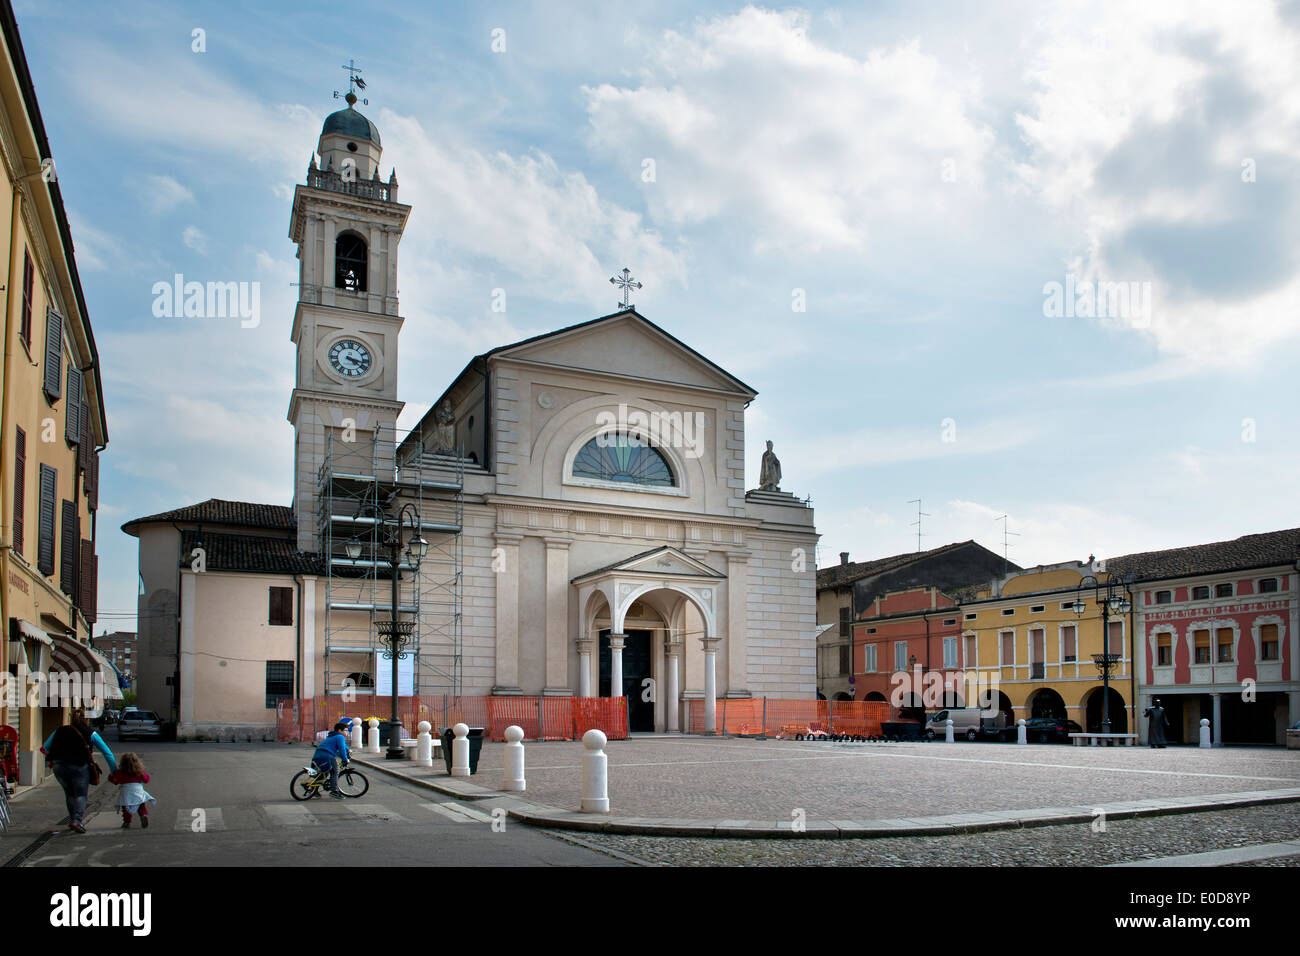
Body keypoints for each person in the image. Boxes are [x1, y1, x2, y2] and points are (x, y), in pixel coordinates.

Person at [40, 707, 117, 833]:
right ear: (86, 719)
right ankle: (76, 820)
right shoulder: (90, 732)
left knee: (69, 793)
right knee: (80, 794)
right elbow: (107, 753)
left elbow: (44, 748)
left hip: (59, 767)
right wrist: (114, 771)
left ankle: (73, 819)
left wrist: (52, 759)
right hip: (80, 767)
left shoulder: (59, 730)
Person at [108, 752, 156, 829]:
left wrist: (112, 775)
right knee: (141, 805)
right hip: (137, 790)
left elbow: (115, 781)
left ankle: (127, 822)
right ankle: (143, 815)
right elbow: (146, 780)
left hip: (126, 791)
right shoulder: (138, 772)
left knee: (126, 807)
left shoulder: (119, 772)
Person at [310, 721, 352, 798]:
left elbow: (343, 746)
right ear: (340, 731)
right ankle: (334, 791)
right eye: (346, 730)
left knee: (323, 773)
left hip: (318, 755)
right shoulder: (340, 737)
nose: (347, 732)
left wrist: (348, 749)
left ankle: (314, 790)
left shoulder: (332, 736)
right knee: (334, 772)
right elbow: (341, 749)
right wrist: (345, 759)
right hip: (327, 756)